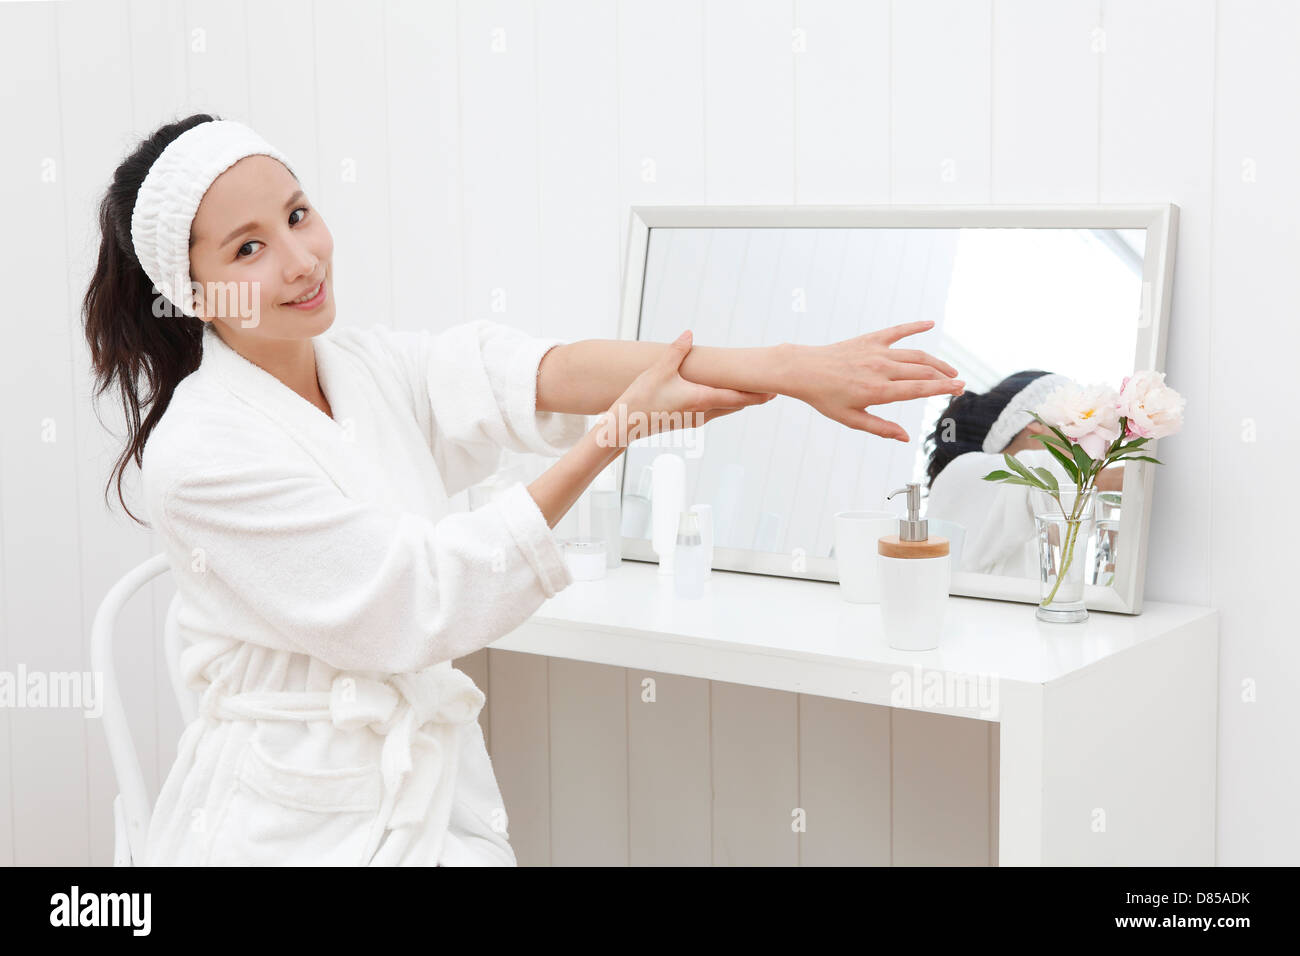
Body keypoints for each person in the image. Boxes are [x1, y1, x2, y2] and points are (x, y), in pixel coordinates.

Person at [82, 114, 965, 866]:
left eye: (299, 214)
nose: (302, 259)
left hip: (416, 793)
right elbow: (412, 599)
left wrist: (787, 367)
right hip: (289, 822)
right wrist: (614, 437)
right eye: (250, 247)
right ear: (190, 291)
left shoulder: (360, 365)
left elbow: (535, 373)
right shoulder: (199, 453)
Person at [923, 370, 1124, 577]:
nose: (1095, 431)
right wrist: (1116, 478)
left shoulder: (1039, 527)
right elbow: (1051, 486)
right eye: (1080, 417)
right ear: (1035, 420)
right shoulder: (967, 471)